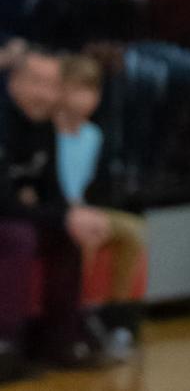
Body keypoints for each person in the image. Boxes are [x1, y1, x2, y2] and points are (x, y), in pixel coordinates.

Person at [0, 48, 112, 370]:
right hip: (9, 220)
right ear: (13, 82)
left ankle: (62, 340)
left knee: (67, 235)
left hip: (17, 215)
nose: (45, 94)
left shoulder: (44, 125)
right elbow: (4, 201)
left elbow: (52, 190)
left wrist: (74, 217)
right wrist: (61, 214)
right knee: (19, 236)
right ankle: (5, 342)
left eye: (52, 85)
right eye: (36, 82)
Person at [54, 54, 146, 358]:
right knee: (86, 236)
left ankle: (116, 317)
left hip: (82, 207)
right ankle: (78, 317)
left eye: (91, 91)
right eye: (76, 89)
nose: (84, 99)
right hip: (59, 209)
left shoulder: (94, 135)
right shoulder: (47, 131)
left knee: (134, 230)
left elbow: (88, 185)